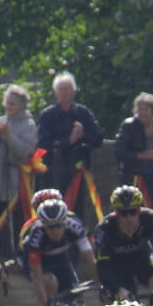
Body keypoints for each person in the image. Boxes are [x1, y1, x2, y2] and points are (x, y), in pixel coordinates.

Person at [92, 185, 153, 306]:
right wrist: (118, 289)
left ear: (140, 210)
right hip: (115, 270)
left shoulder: (152, 218)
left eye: (133, 212)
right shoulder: (104, 228)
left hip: (143, 262)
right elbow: (102, 268)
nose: (129, 218)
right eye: (123, 213)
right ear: (116, 213)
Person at [0, 83, 39, 252]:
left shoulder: (28, 125)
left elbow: (24, 151)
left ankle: (20, 254)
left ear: (21, 105)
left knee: (18, 219)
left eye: (12, 103)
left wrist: (9, 136)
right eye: (7, 103)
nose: (8, 107)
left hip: (16, 180)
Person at [37, 73, 103, 212]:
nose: (64, 93)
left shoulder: (83, 113)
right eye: (61, 89)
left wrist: (82, 135)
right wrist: (68, 141)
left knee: (77, 210)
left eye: (67, 89)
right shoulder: (47, 115)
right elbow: (43, 143)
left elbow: (98, 138)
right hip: (53, 172)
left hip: (78, 172)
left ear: (74, 91)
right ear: (55, 92)